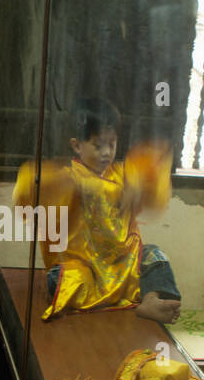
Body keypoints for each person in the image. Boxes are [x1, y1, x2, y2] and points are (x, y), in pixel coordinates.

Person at [14, 98, 181, 323]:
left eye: (111, 144)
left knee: (155, 256)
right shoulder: (69, 177)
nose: (106, 153)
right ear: (77, 145)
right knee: (58, 278)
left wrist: (140, 186)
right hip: (86, 268)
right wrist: (70, 187)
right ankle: (113, 298)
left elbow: (155, 169)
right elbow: (29, 186)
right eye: (98, 145)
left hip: (123, 267)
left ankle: (150, 300)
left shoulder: (124, 174)